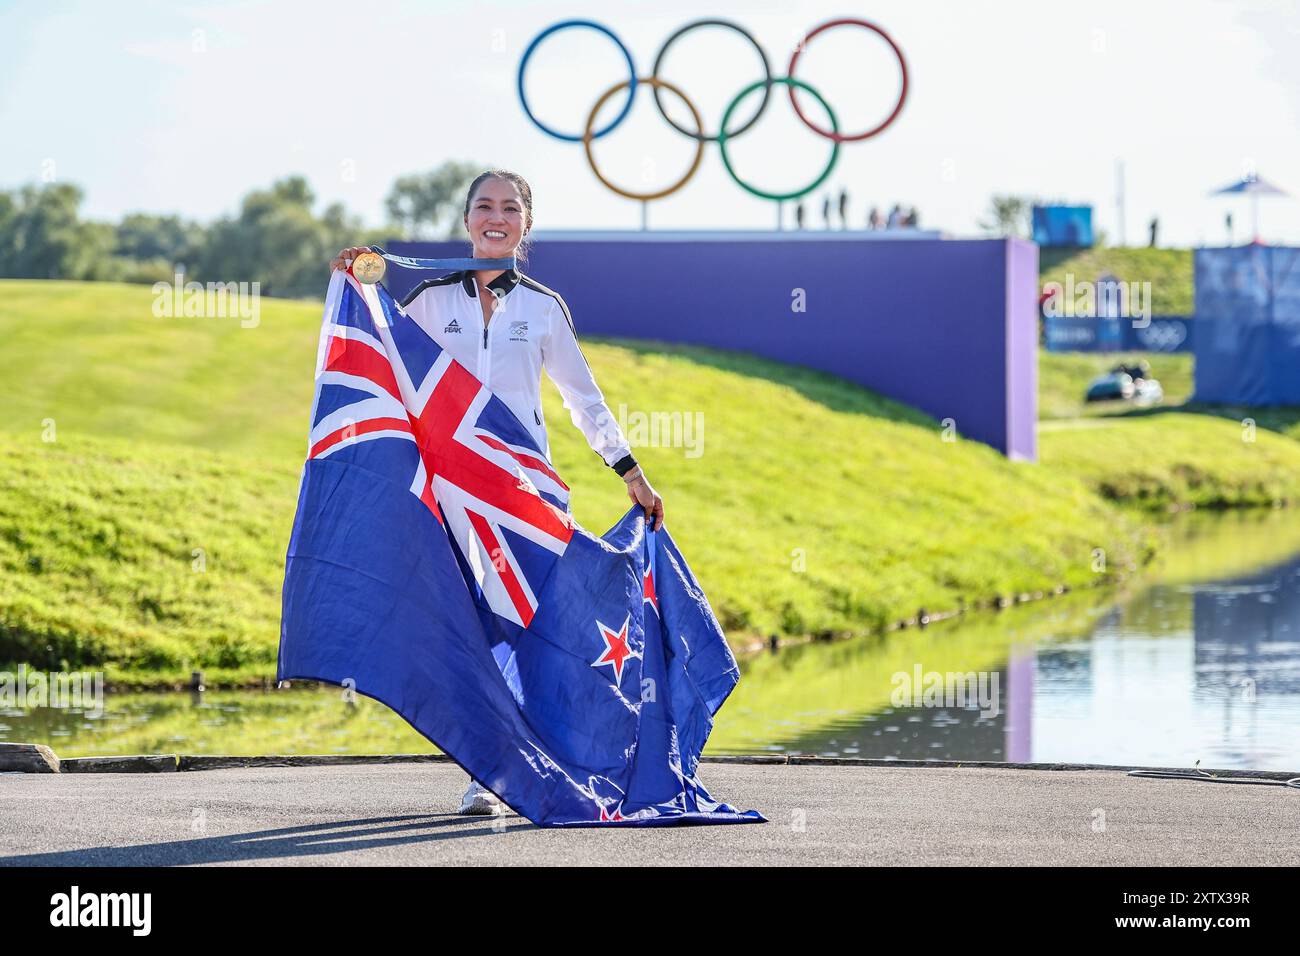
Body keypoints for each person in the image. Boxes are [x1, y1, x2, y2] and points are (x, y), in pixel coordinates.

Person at [330, 169, 664, 816]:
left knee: (524, 629)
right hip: (452, 494)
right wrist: (357, 280)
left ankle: (520, 766)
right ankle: (490, 768)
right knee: (474, 629)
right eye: (484, 205)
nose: (496, 216)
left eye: (510, 207)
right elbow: (389, 362)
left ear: (525, 225)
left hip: (522, 495)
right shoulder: (429, 300)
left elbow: (583, 401)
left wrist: (631, 472)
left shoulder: (542, 308)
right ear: (466, 221)